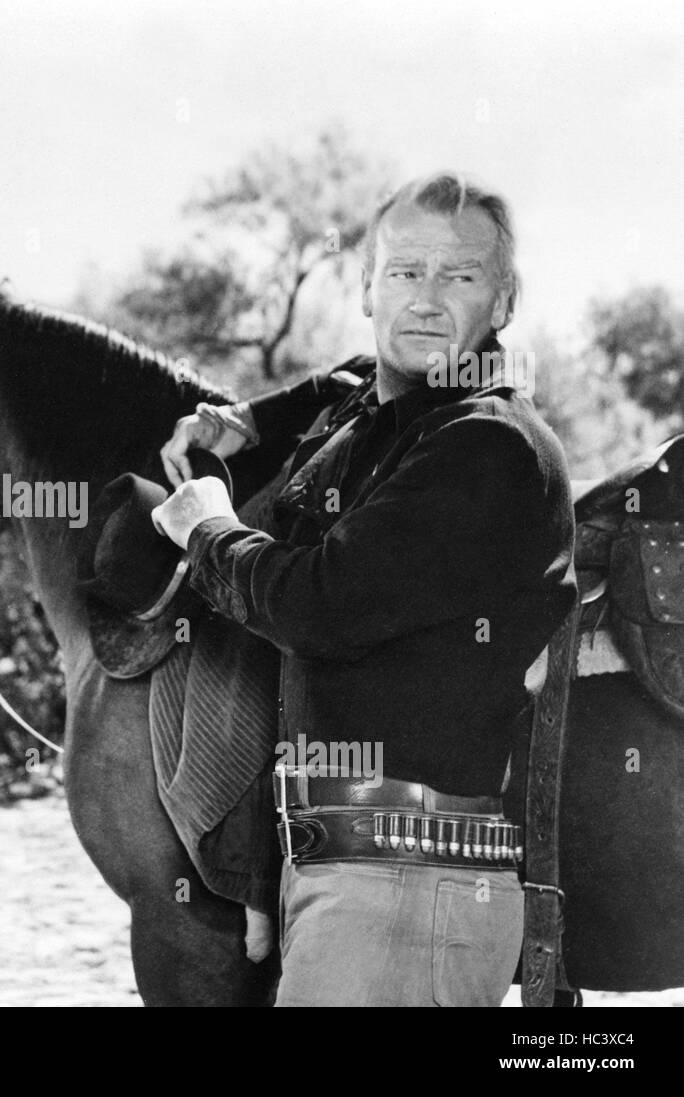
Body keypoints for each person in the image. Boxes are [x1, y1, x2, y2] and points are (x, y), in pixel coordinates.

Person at [152, 172, 576, 1006]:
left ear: (503, 299)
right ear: (366, 287)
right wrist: (252, 419)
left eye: (459, 276)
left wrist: (209, 527)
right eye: (403, 272)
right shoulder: (396, 422)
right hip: (361, 879)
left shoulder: (483, 444)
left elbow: (318, 603)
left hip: (407, 886)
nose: (425, 298)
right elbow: (349, 386)